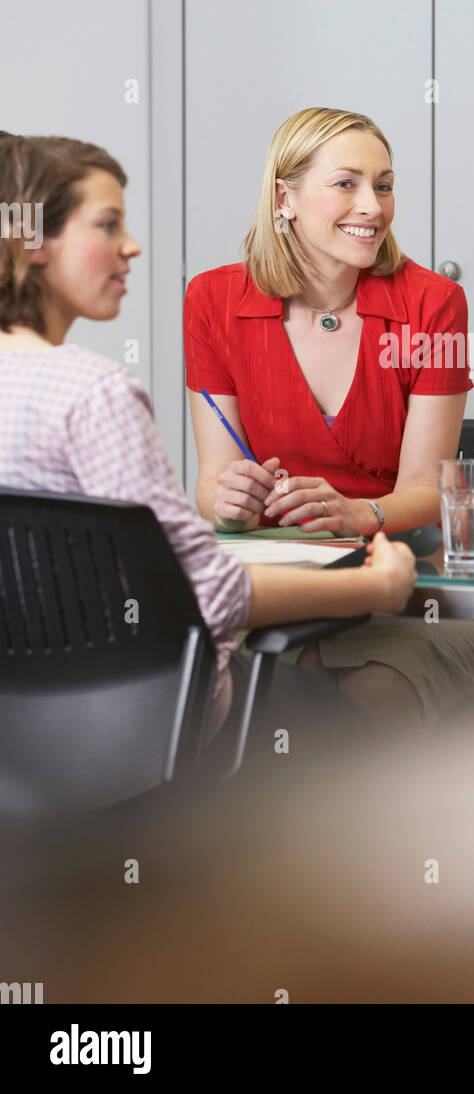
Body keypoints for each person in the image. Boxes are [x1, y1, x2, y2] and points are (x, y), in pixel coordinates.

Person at [0, 135, 416, 754]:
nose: (132, 245)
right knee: (373, 744)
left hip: (24, 730)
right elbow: (208, 593)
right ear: (32, 242)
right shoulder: (93, 393)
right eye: (108, 224)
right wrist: (376, 587)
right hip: (146, 717)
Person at [183, 107, 474, 728]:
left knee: (364, 704)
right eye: (346, 183)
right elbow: (212, 487)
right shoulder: (213, 300)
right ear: (286, 198)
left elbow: (428, 493)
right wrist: (232, 500)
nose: (373, 206)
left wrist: (363, 514)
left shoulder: (434, 304)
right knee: (251, 703)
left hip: (413, 586)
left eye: (383, 186)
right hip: (288, 590)